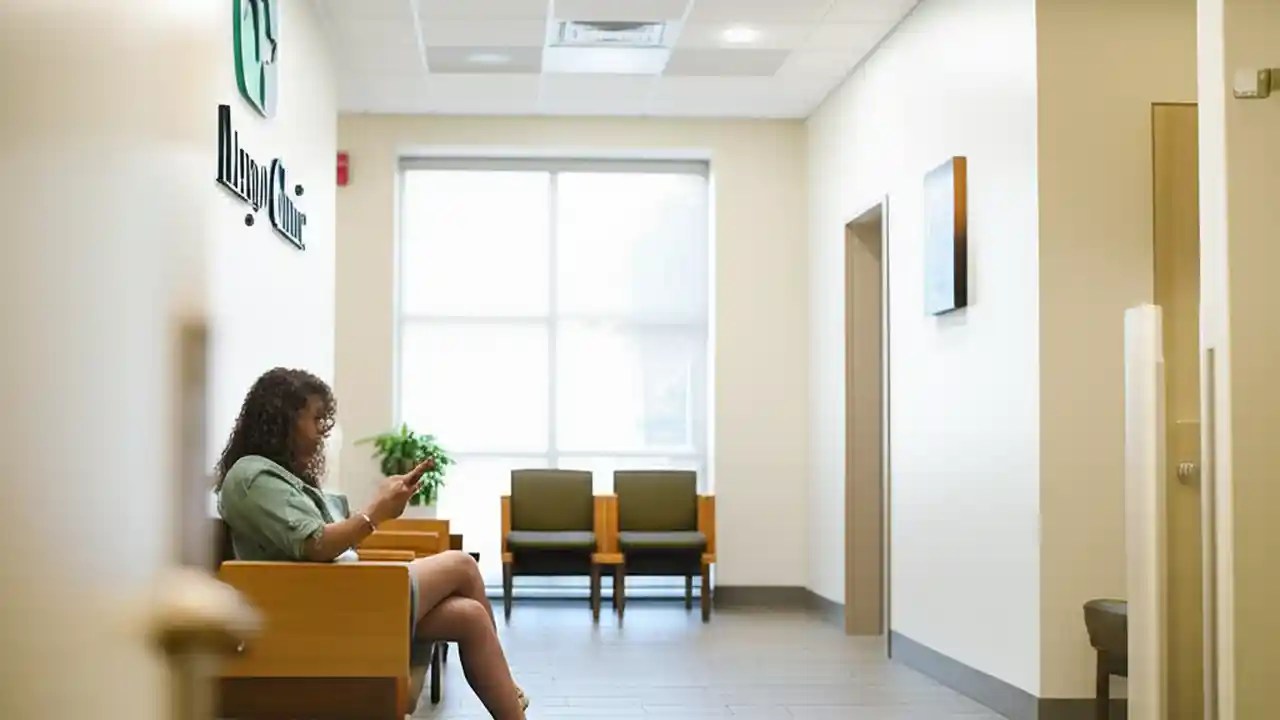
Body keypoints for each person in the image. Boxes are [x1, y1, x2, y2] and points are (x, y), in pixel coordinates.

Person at [216, 367, 526, 720]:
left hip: (338, 596)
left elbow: (328, 537)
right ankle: (511, 687)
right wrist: (377, 511)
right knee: (462, 565)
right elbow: (316, 543)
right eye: (315, 419)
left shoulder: (277, 477)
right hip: (321, 607)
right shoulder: (251, 477)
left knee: (470, 618)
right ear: (282, 419)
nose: (321, 432)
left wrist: (383, 504)